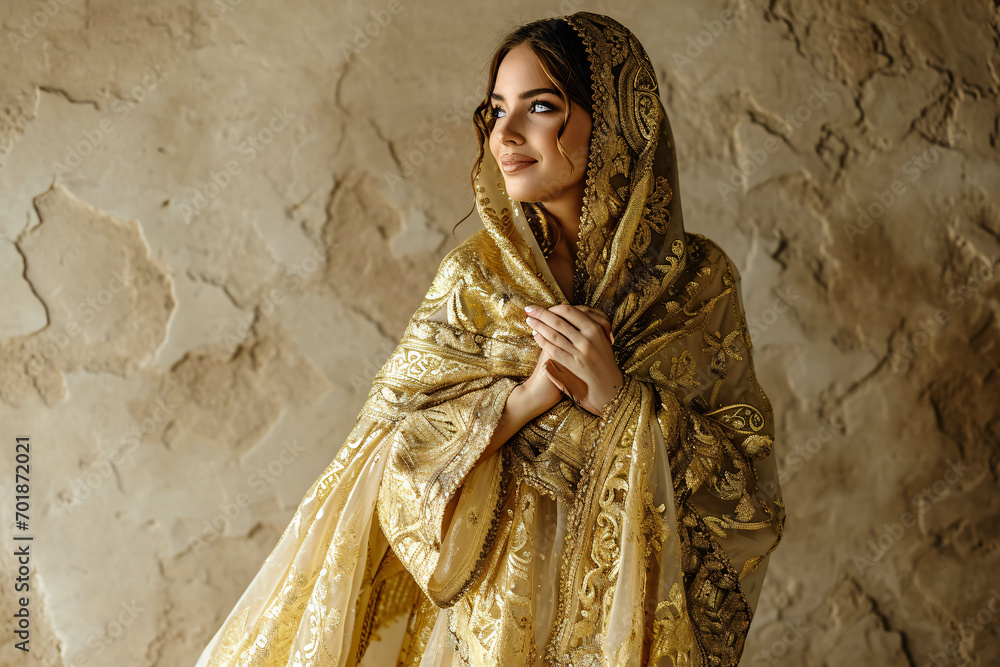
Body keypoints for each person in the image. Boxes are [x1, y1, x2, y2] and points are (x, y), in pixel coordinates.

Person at [194, 11, 785, 667]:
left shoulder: (698, 284)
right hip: (487, 632)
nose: (504, 134)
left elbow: (747, 492)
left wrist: (622, 400)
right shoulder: (476, 279)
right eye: (496, 109)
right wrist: (527, 399)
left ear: (615, 120)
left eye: (539, 107)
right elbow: (383, 465)